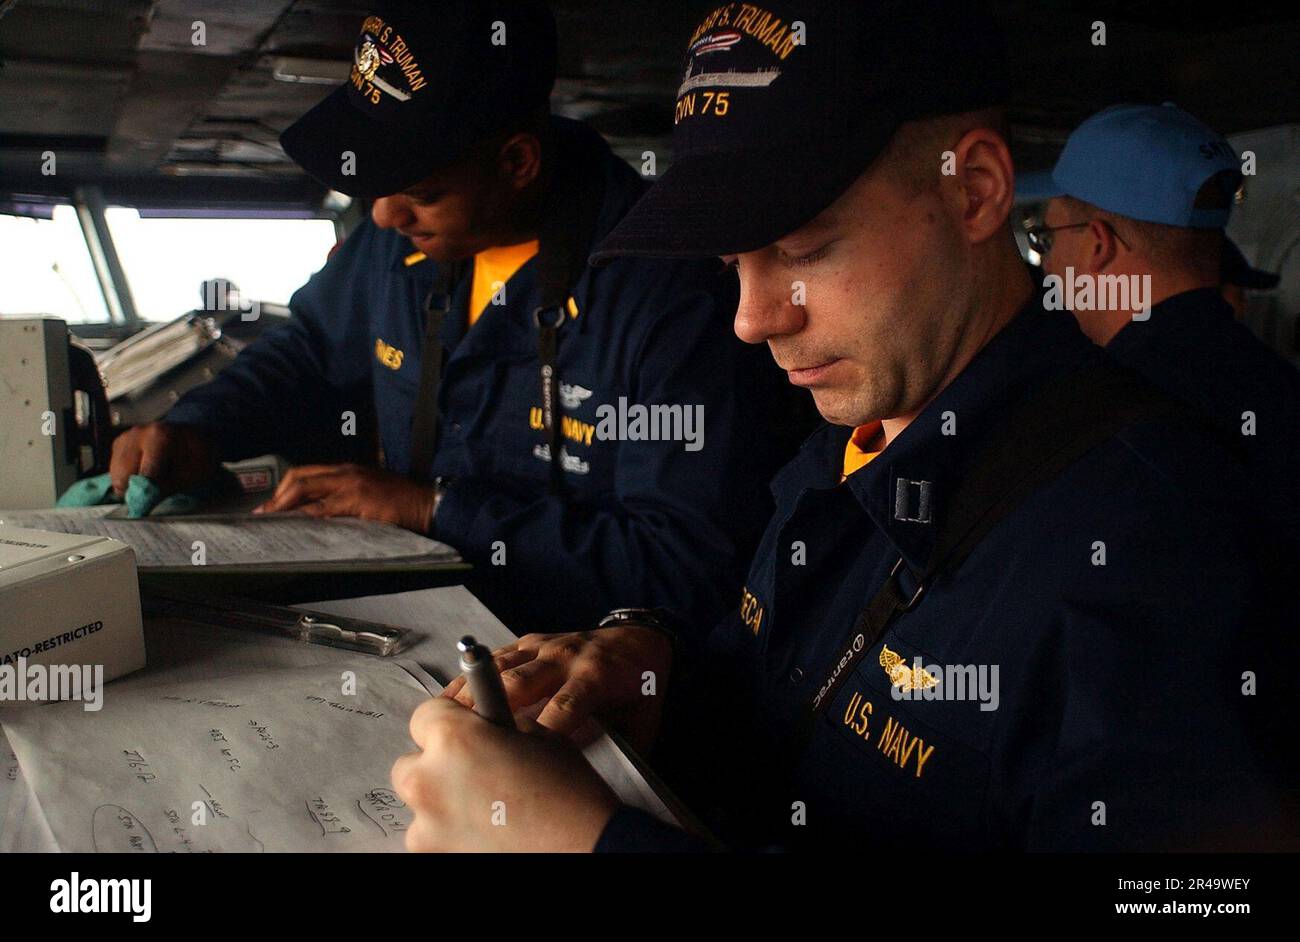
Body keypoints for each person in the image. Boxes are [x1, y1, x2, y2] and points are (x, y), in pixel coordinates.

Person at [390, 0, 1290, 852]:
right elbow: (786, 702)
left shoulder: (1158, 540)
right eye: (733, 259)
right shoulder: (853, 433)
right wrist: (653, 664)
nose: (751, 317)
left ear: (974, 191)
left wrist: (591, 845)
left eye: (803, 248)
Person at [108, 0, 791, 634]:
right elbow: (311, 351)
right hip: (412, 626)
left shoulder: (672, 294)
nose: (383, 214)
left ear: (517, 162)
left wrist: (434, 510)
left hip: (568, 663)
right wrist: (201, 427)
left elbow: (686, 565)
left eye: (420, 193)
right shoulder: (398, 240)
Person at [1024, 104, 1300, 558]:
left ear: (1098, 244)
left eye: (1048, 240)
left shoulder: (1098, 416)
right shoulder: (1278, 384)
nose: (1048, 264)